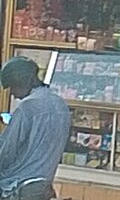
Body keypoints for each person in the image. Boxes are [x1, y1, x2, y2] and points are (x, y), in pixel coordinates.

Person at [0, 57, 71, 192]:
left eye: (13, 87)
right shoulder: (60, 104)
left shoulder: (27, 107)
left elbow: (7, 150)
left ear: (23, 81)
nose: (13, 94)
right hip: (45, 180)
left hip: (16, 181)